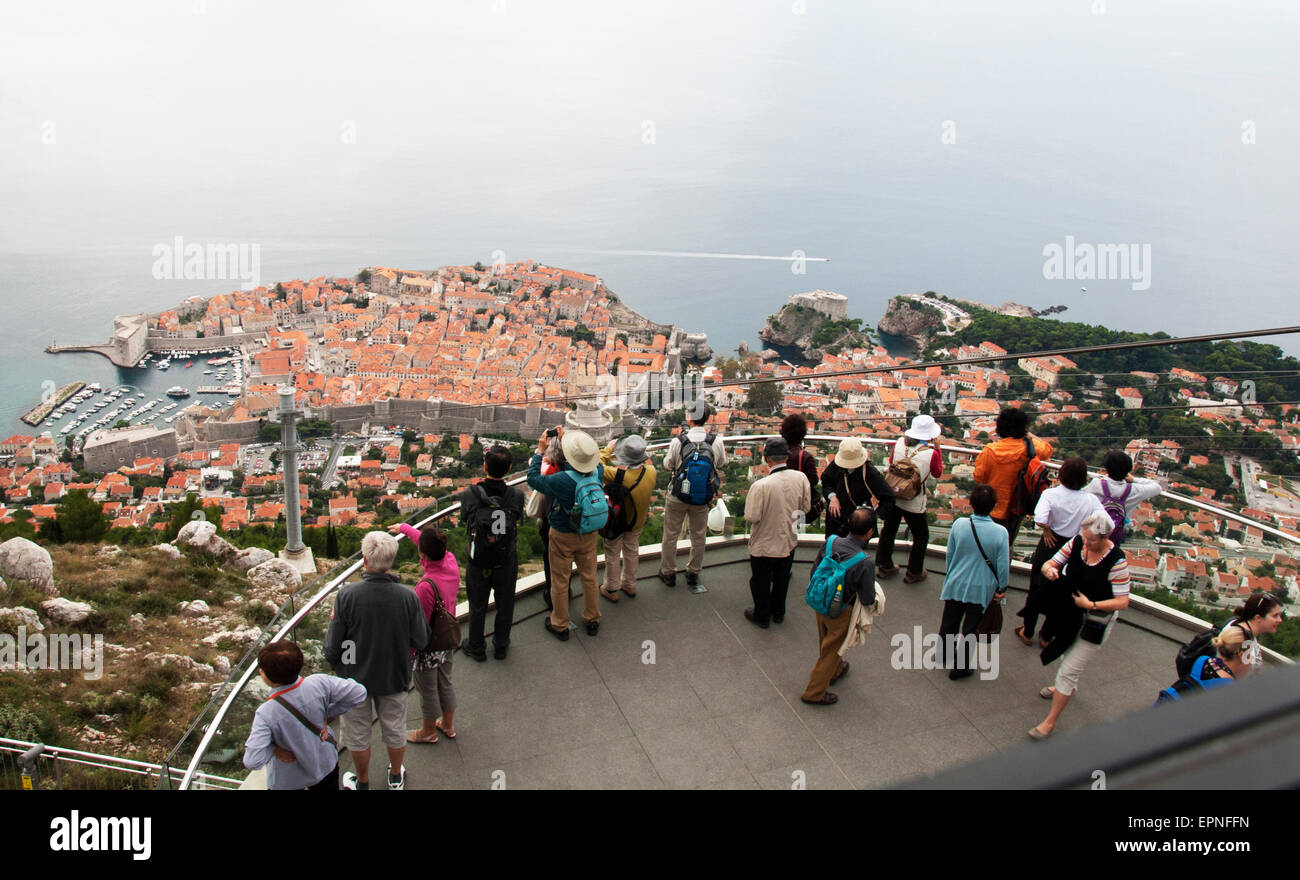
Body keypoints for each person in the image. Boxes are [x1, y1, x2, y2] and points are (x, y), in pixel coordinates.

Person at [324, 531, 429, 790]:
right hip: (394, 674)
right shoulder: (407, 597)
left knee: (357, 735)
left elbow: (332, 646)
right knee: (395, 728)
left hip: (354, 677)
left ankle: (362, 782)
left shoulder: (347, 596)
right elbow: (421, 639)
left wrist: (339, 665)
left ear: (364, 559)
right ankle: (395, 776)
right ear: (391, 560)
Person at [1030, 511, 1131, 740]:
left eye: (1091, 540)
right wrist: (1050, 571)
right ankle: (1064, 688)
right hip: (1071, 614)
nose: (1086, 543)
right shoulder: (1077, 543)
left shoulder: (1117, 561)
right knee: (1066, 653)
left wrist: (1092, 604)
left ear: (1105, 537)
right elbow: (1050, 563)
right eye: (1084, 538)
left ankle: (1050, 721)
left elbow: (1123, 601)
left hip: (1095, 621)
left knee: (1068, 669)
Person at [243, 640, 367, 790]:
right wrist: (326, 715)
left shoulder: (266, 713)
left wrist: (273, 749)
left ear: (267, 677)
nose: (260, 672)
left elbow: (252, 761)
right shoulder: (318, 683)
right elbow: (359, 693)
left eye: (261, 670)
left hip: (289, 779)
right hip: (325, 764)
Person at [1015, 456, 1106, 649]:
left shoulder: (1050, 494)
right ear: (1084, 479)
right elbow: (1108, 523)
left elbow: (1039, 517)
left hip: (1051, 543)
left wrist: (1047, 529)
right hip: (1074, 547)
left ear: (1061, 474)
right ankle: (1047, 635)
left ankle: (1028, 631)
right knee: (1063, 593)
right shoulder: (1090, 500)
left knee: (1036, 587)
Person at [527, 425, 605, 639]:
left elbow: (533, 479)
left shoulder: (561, 480)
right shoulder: (597, 471)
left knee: (560, 580)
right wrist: (569, 442)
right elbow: (590, 463)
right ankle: (592, 617)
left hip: (562, 533)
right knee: (589, 577)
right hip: (589, 532)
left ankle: (560, 624)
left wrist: (539, 451)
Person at [385, 524, 459, 744]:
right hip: (448, 636)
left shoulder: (425, 587)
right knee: (445, 682)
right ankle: (447, 724)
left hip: (429, 646)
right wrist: (406, 529)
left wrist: (408, 653)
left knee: (427, 688)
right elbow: (426, 542)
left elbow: (419, 625)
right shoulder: (451, 561)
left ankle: (428, 732)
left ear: (423, 555)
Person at [801, 507, 877, 705]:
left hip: (820, 600)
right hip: (842, 609)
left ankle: (835, 670)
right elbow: (868, 598)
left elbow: (815, 570)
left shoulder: (831, 541)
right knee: (832, 651)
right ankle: (814, 692)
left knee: (825, 640)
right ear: (869, 532)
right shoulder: (865, 562)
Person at [457, 444, 525, 659]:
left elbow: (465, 519)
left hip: (478, 558)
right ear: (510, 467)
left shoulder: (470, 493)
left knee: (477, 604)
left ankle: (476, 646)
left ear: (484, 466)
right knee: (505, 604)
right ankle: (501, 645)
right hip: (505, 558)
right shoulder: (516, 495)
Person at [939, 484, 1009, 680]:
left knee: (949, 621)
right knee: (970, 629)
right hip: (982, 588)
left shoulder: (959, 524)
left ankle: (943, 654)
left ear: (971, 504)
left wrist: (951, 574)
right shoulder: (1000, 532)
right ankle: (960, 668)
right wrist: (1002, 587)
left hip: (956, 581)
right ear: (993, 506)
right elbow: (1002, 565)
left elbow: (950, 554)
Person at [743, 436, 811, 628]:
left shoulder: (761, 486)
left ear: (767, 458)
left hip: (764, 542)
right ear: (786, 457)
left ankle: (762, 615)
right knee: (782, 579)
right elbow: (805, 508)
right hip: (789, 539)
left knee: (760, 580)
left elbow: (752, 516)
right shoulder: (801, 478)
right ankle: (778, 612)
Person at [659, 398, 727, 588]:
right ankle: (693, 572)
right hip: (702, 495)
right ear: (706, 419)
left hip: (678, 495)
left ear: (689, 418)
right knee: (698, 535)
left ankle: (669, 572)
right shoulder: (716, 441)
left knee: (670, 535)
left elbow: (667, 465)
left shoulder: (678, 441)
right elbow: (720, 464)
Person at [876, 414, 943, 583]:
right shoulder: (931, 454)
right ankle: (914, 572)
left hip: (894, 494)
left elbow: (892, 463)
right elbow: (937, 473)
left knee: (889, 530)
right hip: (914, 500)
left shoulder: (899, 443)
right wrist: (938, 449)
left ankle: (884, 566)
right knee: (921, 536)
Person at [973, 407, 1053, 548]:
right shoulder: (1028, 448)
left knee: (982, 545)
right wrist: (1026, 433)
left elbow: (978, 476)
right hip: (1016, 508)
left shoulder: (990, 451)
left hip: (990, 506)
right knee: (1006, 546)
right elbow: (1048, 449)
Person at [598, 434, 657, 602]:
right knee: (632, 550)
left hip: (618, 523)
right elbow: (645, 464)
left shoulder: (619, 476)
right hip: (637, 521)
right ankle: (630, 584)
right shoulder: (651, 472)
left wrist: (608, 449)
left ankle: (611, 588)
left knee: (613, 553)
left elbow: (597, 466)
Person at [820, 437, 896, 539]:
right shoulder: (837, 464)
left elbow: (889, 498)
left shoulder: (869, 472)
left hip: (859, 525)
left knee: (855, 551)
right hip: (836, 519)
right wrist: (832, 497)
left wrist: (869, 517)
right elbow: (826, 480)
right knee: (833, 549)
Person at [1083, 451, 1162, 545]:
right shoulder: (1134, 490)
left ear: (1107, 469)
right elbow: (1157, 488)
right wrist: (1133, 479)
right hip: (1116, 535)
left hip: (1093, 532)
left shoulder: (1096, 484)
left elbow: (1082, 496)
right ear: (1127, 472)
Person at [1220, 592, 1285, 675]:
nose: (1280, 620)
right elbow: (1238, 680)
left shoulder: (1241, 628)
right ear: (1258, 617)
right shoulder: (1243, 640)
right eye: (1275, 616)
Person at [781, 413, 823, 526]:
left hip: (781, 501)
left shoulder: (778, 455)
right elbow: (813, 480)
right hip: (799, 505)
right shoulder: (805, 457)